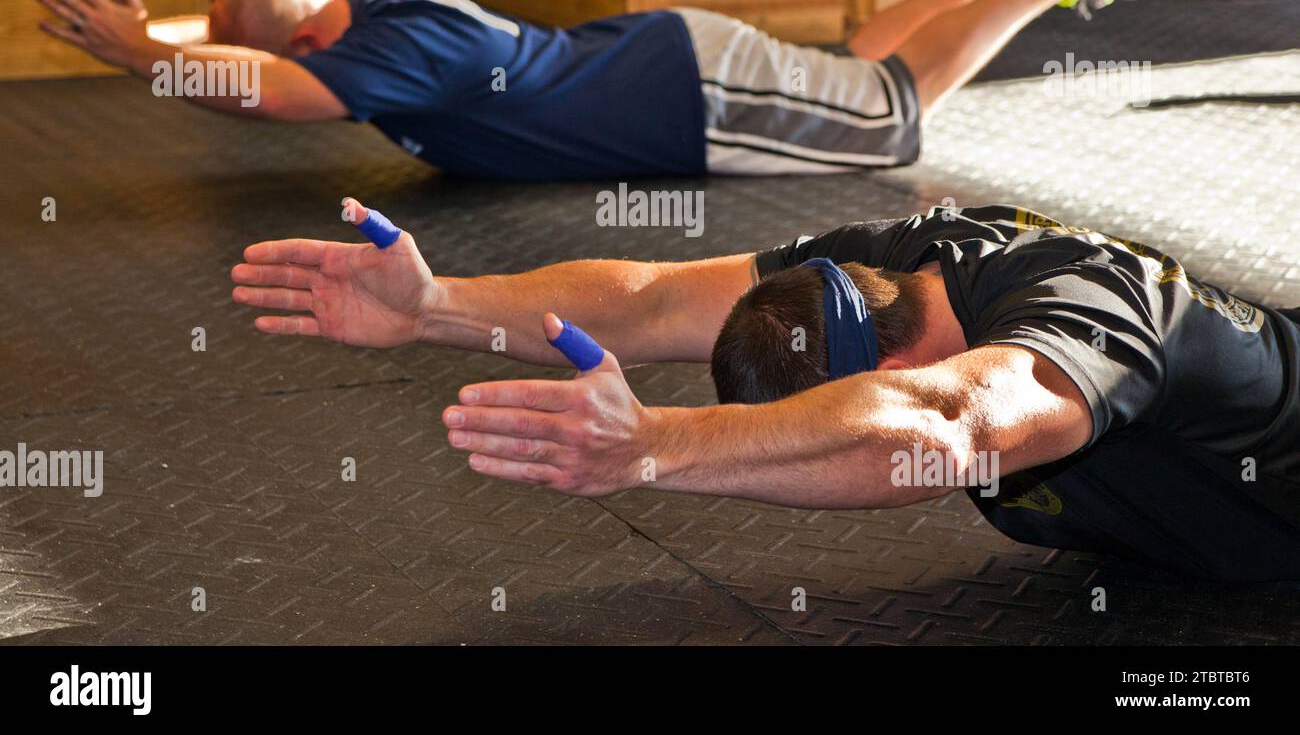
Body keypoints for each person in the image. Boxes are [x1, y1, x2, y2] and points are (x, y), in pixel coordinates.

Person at [229, 199, 1300, 581]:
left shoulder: (1085, 315)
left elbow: (943, 422)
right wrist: (437, 307)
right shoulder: (890, 259)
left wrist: (653, 445)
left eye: (823, 416)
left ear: (886, 369)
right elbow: (650, 298)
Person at [38, 0, 1150, 179]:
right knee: (861, 61)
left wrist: (145, 52)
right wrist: (151, 37)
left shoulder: (386, 56)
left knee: (892, 115)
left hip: (690, 94)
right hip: (675, 58)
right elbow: (257, 43)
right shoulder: (375, 1)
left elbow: (274, 90)